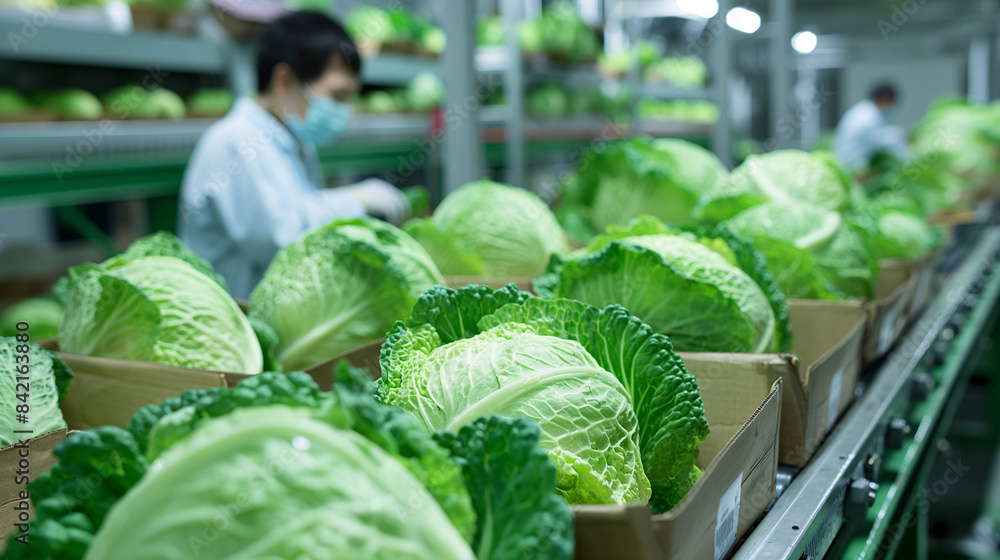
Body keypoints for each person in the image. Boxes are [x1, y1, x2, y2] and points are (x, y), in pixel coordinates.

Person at [179, 11, 409, 299]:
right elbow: (278, 239)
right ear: (284, 80)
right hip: (231, 321)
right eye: (336, 96)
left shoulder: (291, 140)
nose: (344, 111)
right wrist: (356, 201)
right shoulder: (235, 141)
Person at [833, 83, 911, 172]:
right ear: (885, 99)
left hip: (845, 160)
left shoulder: (863, 109)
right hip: (852, 165)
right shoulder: (870, 117)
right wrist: (910, 159)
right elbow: (888, 141)